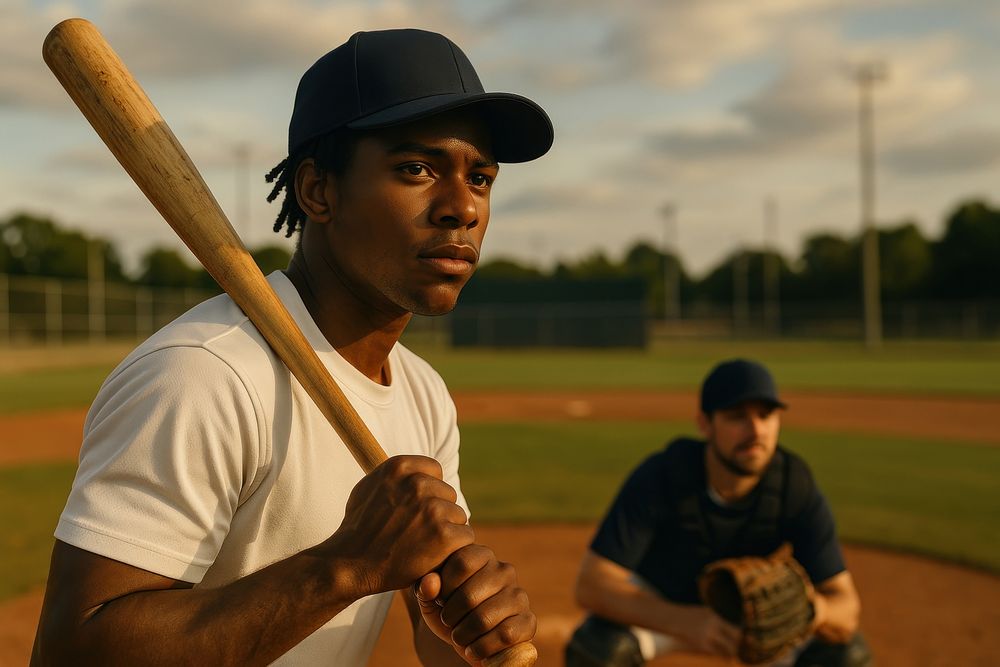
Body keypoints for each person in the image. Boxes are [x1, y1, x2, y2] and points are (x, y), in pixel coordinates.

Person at [32, 28, 553, 666]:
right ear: (317, 191)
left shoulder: (422, 393)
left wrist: (470, 631)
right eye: (416, 169)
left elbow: (430, 632)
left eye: (481, 178)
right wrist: (344, 566)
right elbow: (69, 653)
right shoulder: (206, 374)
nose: (461, 208)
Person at [565, 359, 872, 667]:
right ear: (704, 423)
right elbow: (591, 585)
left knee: (846, 656)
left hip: (754, 623)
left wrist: (812, 609)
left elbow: (847, 607)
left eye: (766, 415)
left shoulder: (793, 486)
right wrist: (688, 622)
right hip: (665, 609)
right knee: (597, 649)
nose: (756, 430)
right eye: (737, 416)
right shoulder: (662, 476)